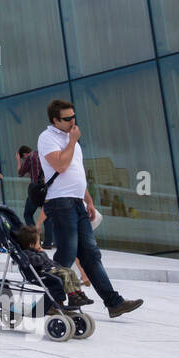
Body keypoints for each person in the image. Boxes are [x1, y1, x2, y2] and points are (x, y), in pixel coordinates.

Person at [37, 99, 143, 319]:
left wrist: (89, 200)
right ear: (55, 120)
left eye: (74, 117)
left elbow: (77, 172)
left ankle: (114, 303)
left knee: (91, 254)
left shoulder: (70, 139)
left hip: (76, 201)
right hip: (60, 202)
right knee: (66, 254)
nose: (72, 122)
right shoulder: (47, 138)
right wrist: (73, 141)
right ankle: (50, 301)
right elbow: (60, 166)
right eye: (67, 119)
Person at [14, 225, 92, 308]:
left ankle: (78, 292)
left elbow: (50, 262)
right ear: (31, 245)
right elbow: (37, 261)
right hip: (42, 273)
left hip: (50, 270)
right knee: (64, 274)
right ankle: (72, 297)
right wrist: (42, 253)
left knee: (70, 271)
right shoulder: (28, 253)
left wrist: (58, 266)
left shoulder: (37, 251)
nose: (40, 243)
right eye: (38, 242)